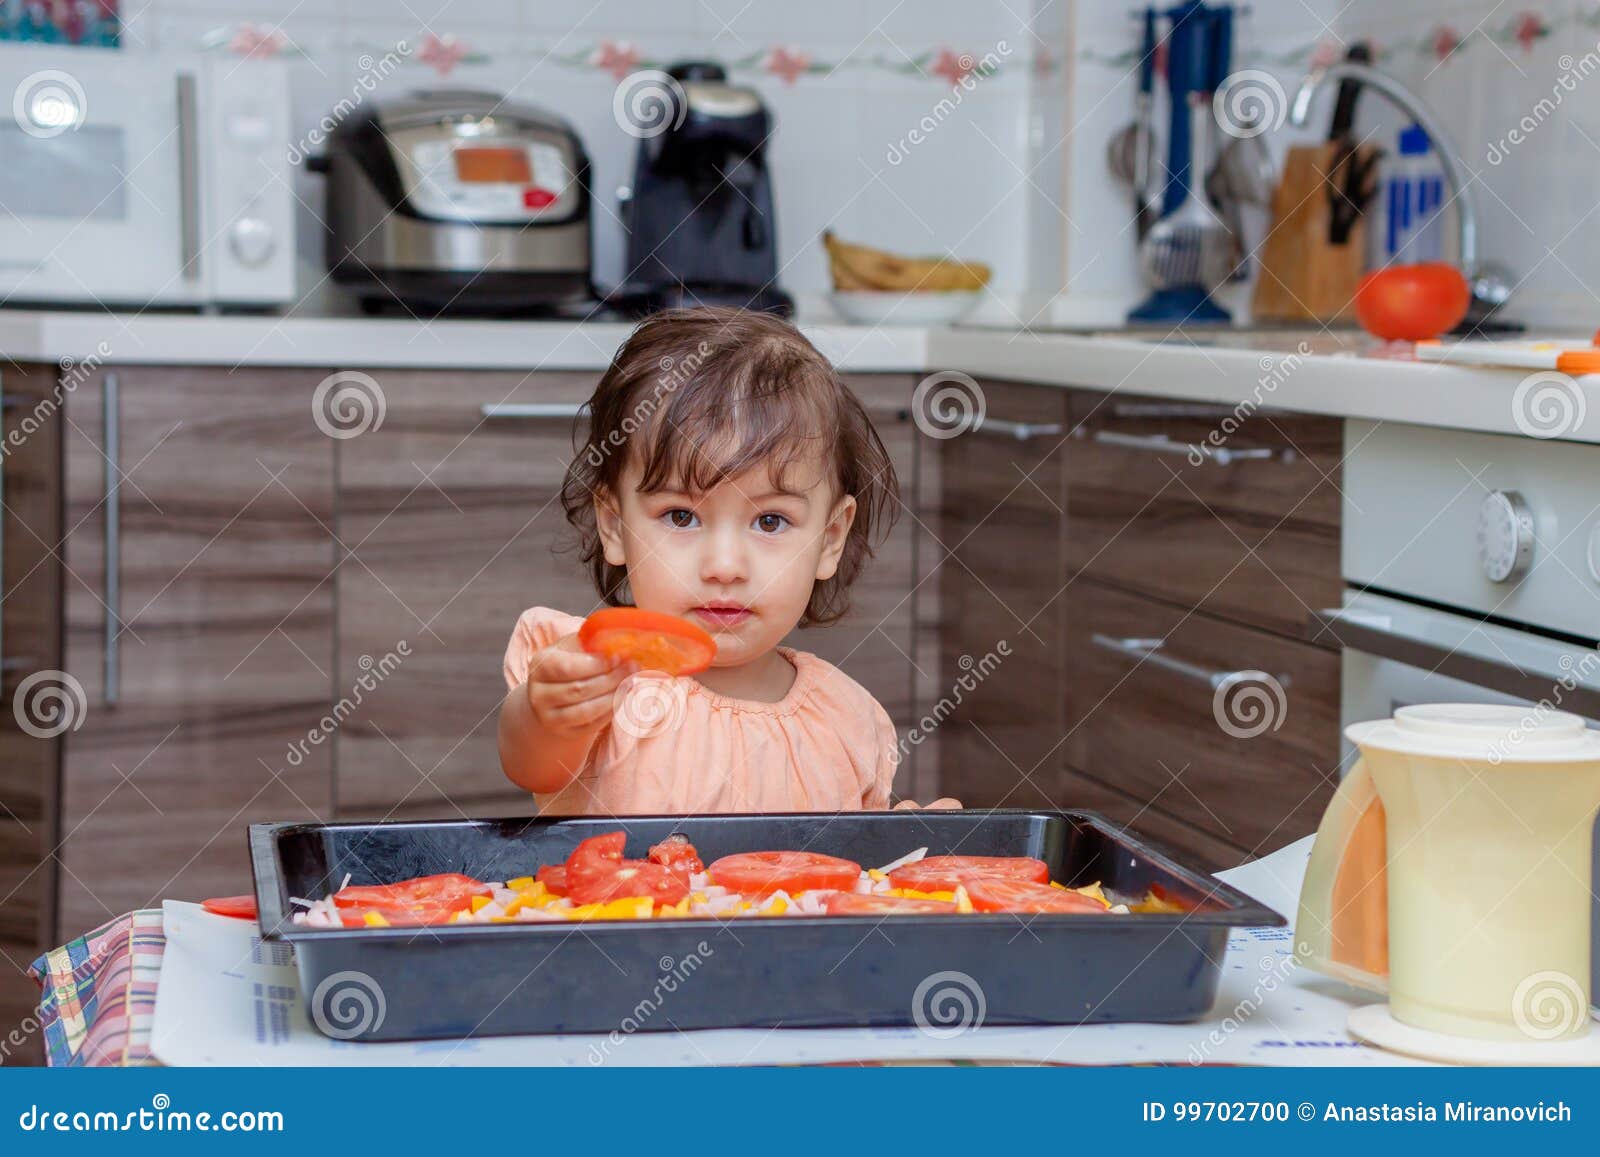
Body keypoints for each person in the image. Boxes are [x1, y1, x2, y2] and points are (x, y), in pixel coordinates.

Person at [498, 307, 962, 815]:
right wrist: (550, 715)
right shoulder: (596, 671)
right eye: (680, 516)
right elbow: (531, 763)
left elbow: (848, 871)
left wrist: (906, 847)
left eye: (769, 522)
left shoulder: (848, 719)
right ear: (614, 525)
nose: (724, 566)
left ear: (830, 537)